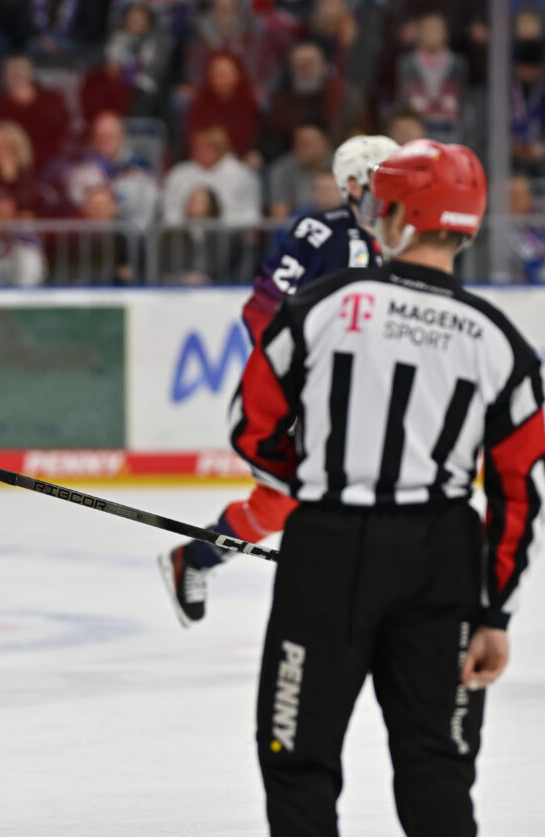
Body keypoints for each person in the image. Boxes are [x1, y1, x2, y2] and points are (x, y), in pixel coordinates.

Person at [229, 139, 545, 837]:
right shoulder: (498, 340)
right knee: (437, 765)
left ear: (397, 214)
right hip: (444, 558)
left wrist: (328, 476)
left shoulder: (328, 306)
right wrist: (496, 614)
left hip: (328, 548)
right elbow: (521, 495)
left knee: (297, 756)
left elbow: (252, 427)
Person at [159, 134, 398, 626]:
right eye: (383, 179)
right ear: (352, 184)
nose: (396, 191)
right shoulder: (320, 230)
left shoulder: (400, 244)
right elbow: (263, 308)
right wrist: (298, 381)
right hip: (302, 398)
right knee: (288, 501)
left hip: (358, 400)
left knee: (290, 502)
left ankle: (198, 558)